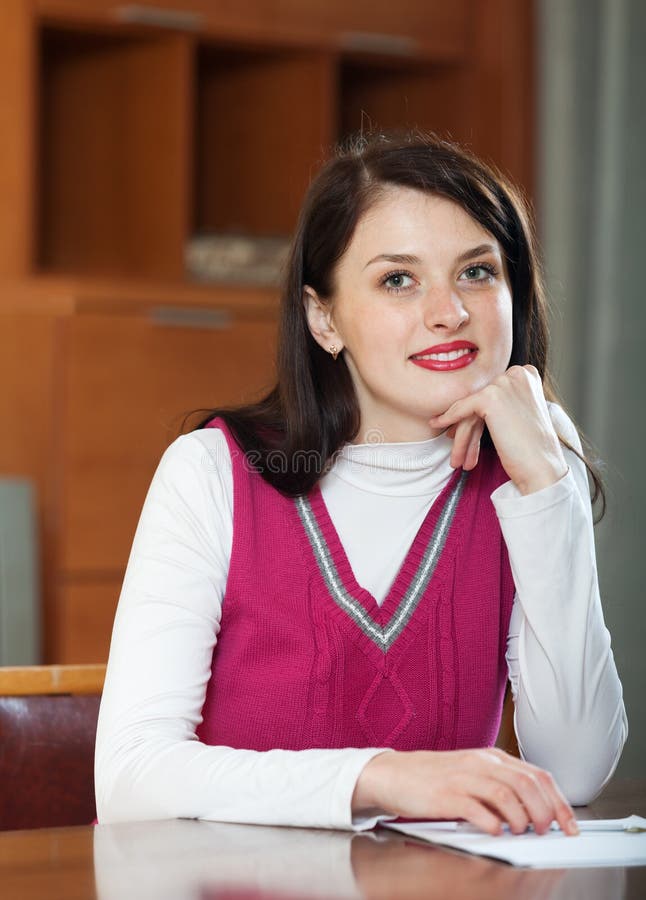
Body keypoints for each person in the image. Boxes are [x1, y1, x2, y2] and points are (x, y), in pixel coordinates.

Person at [94, 132, 627, 836]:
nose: (449, 312)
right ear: (324, 318)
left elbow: (577, 771)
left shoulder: (532, 472)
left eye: (477, 272)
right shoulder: (211, 474)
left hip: (442, 884)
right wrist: (380, 778)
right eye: (398, 280)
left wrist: (547, 485)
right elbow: (130, 777)